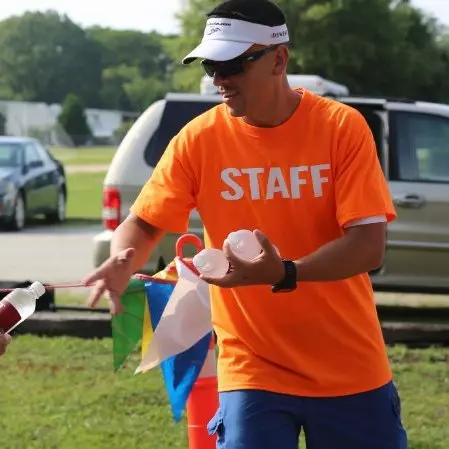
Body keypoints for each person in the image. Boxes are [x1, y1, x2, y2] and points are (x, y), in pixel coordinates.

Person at [84, 0, 408, 447]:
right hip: (251, 365)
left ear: (279, 58)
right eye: (211, 65)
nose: (219, 79)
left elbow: (368, 246)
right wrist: (123, 258)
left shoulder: (341, 128)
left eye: (233, 63)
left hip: (349, 364)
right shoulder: (199, 139)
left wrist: (285, 272)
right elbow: (143, 223)